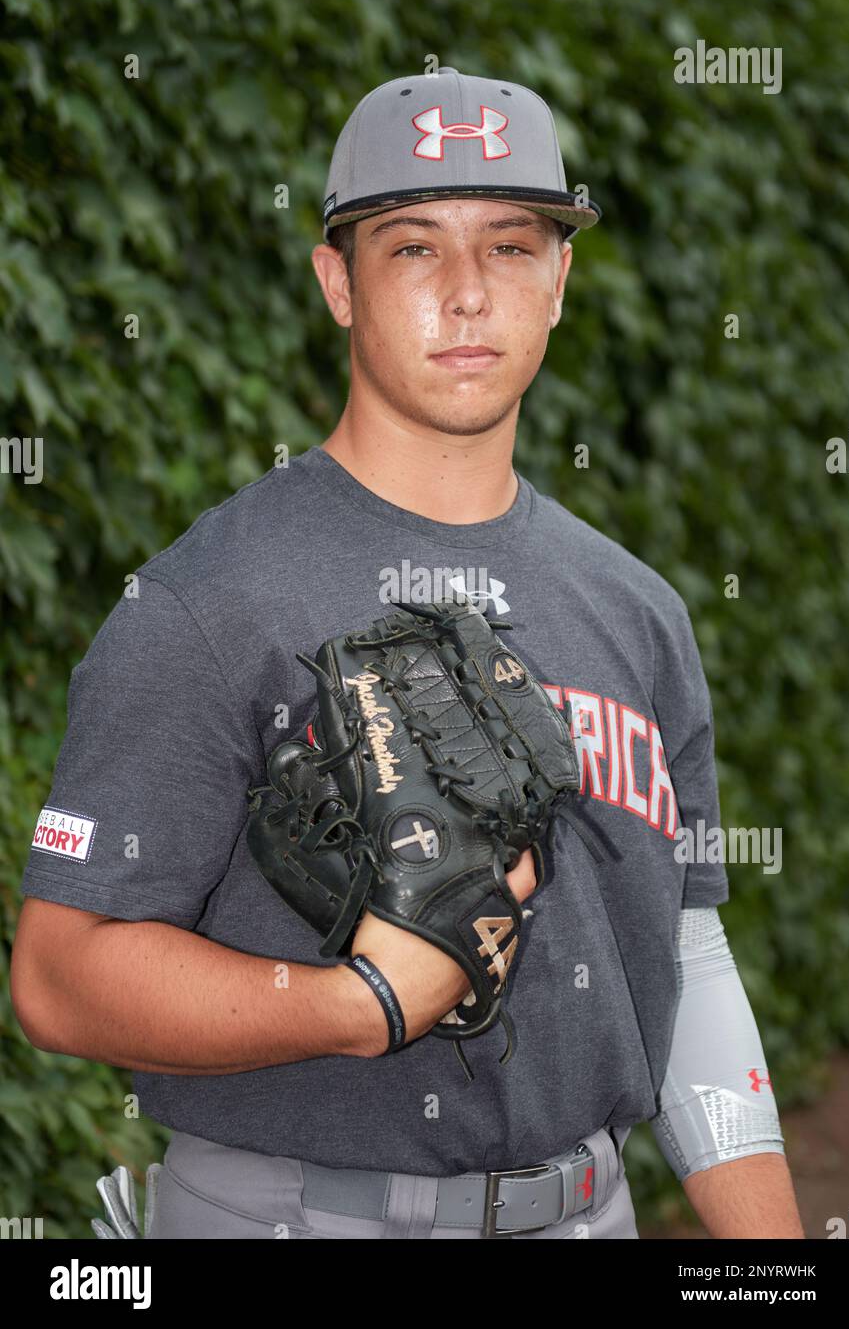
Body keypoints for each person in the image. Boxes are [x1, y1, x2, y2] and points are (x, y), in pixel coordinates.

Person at [11, 66, 804, 1239]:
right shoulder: (208, 601)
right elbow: (56, 975)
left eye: (512, 244)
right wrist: (357, 1001)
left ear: (560, 279)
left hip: (591, 1211)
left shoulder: (636, 612)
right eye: (414, 248)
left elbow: (684, 953)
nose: (471, 294)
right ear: (337, 280)